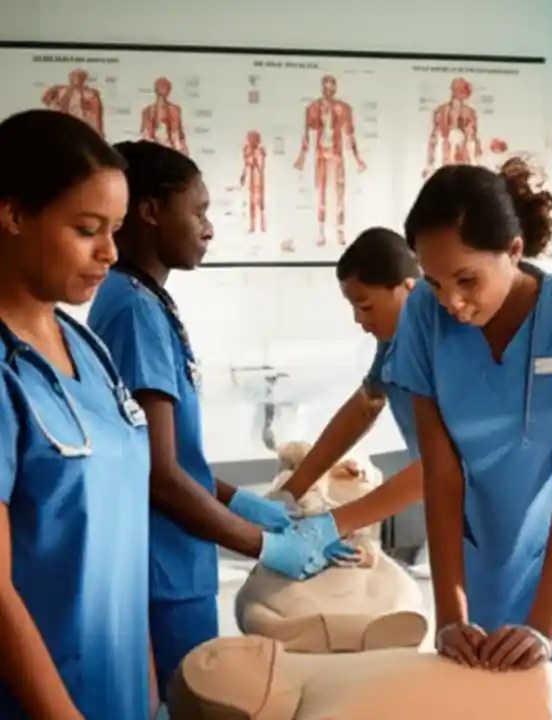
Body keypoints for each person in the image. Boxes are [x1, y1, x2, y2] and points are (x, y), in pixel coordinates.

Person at [331, 156, 552, 718]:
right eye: (434, 283)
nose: (452, 303)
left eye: (467, 280)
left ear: (513, 250)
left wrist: (543, 628)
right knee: (499, 697)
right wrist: (452, 611)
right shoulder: (424, 321)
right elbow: (441, 471)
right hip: (495, 550)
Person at [86, 140, 349, 702]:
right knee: (191, 701)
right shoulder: (133, 309)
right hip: (164, 572)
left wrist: (250, 504)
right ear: (152, 211)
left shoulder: (142, 299)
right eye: (199, 211)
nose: (208, 228)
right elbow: (159, 474)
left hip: (172, 561)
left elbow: (173, 457)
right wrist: (264, 543)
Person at [0, 109, 150, 718]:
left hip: (119, 689)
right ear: (12, 215)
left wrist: (146, 685)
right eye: (87, 228)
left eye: (114, 229)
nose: (109, 252)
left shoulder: (87, 346)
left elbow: (120, 536)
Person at [271, 227, 428, 536]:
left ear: (410, 289)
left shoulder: (445, 345)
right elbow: (364, 407)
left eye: (366, 306)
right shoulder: (394, 340)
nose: (358, 319)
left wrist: (335, 524)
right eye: (353, 306)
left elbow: (441, 465)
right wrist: (290, 492)